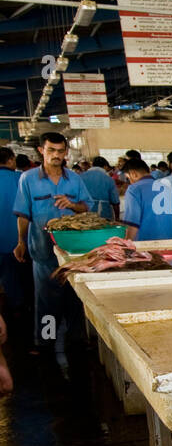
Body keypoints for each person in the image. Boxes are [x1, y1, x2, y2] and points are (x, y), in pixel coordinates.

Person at [15, 132, 94, 350]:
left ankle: (76, 339)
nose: (56, 155)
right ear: (42, 150)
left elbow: (87, 207)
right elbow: (23, 214)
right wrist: (21, 242)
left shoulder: (75, 179)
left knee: (75, 298)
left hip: (73, 251)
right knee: (46, 300)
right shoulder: (28, 179)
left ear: (66, 153)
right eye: (51, 150)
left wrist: (71, 204)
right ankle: (46, 340)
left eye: (60, 151)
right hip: (43, 251)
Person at [0, 148, 27, 320]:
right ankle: (25, 309)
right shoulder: (22, 179)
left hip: (1, 241)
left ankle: (14, 308)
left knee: (6, 276)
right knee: (24, 276)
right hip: (22, 240)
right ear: (11, 160)